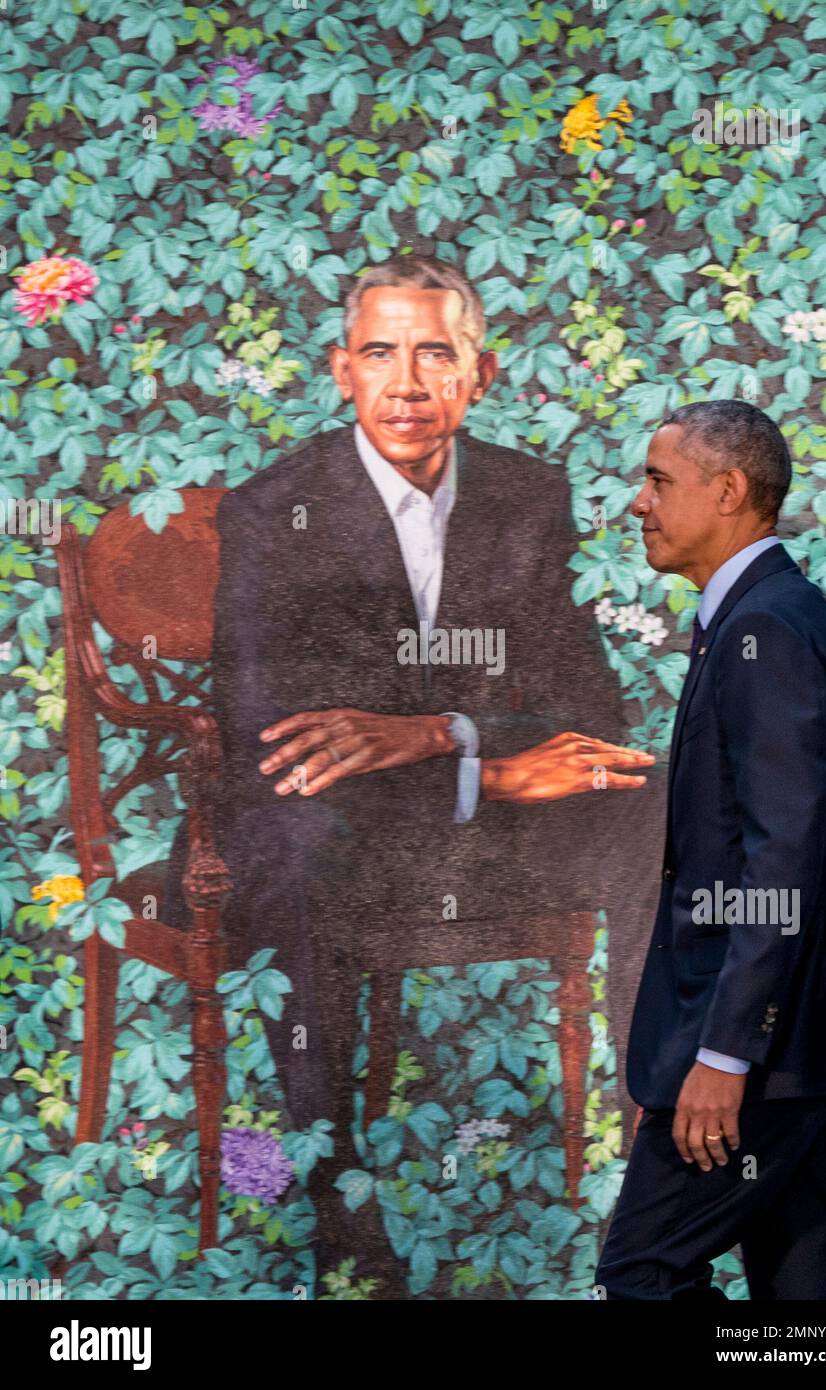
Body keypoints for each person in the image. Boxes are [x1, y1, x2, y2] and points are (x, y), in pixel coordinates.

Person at [165, 255, 656, 1297]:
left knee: (644, 797)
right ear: (341, 370)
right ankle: (336, 1186)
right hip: (320, 825)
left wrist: (445, 735)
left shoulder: (529, 495)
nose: (408, 382)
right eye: (380, 352)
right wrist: (486, 771)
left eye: (437, 351)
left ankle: (652, 1131)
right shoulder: (274, 510)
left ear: (480, 374)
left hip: (471, 808)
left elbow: (585, 706)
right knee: (296, 829)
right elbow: (275, 736)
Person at [594, 399, 826, 1301]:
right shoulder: (767, 616)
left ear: (727, 491)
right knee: (801, 1315)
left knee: (640, 1278)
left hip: (767, 1055)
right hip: (801, 1048)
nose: (635, 504)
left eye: (656, 481)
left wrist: (723, 1057)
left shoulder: (764, 630)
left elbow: (781, 862)